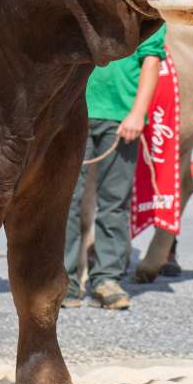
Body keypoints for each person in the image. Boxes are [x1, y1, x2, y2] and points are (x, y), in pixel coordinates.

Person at [63, 23, 166, 310]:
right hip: (72, 113)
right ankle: (64, 279)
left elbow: (151, 60)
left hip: (120, 117)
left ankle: (106, 278)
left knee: (115, 201)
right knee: (67, 200)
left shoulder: (146, 13)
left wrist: (137, 113)